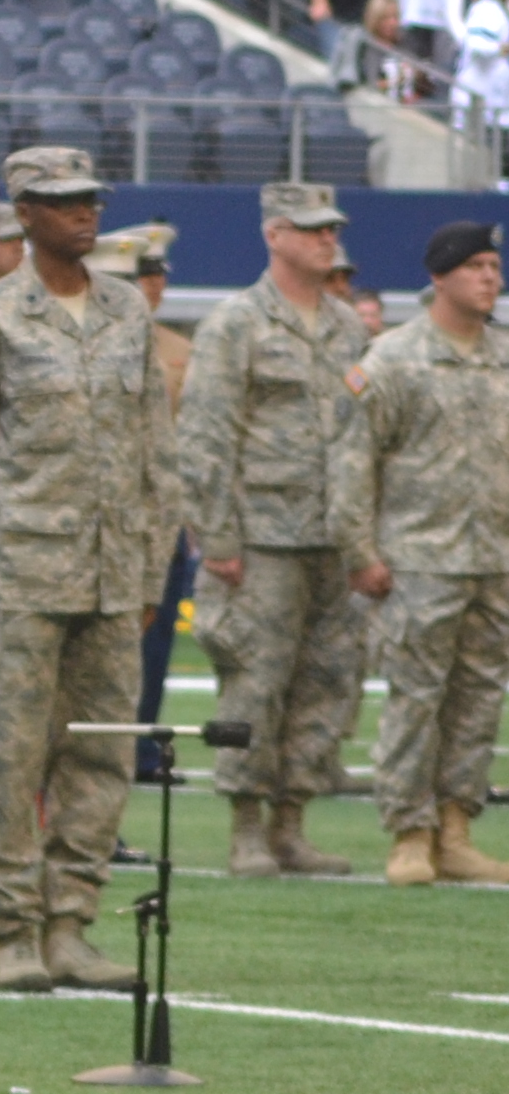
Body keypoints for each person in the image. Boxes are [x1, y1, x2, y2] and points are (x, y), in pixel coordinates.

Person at [0, 148, 169, 995]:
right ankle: (10, 929)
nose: (83, 215)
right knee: (10, 760)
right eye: (62, 203)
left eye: (90, 200)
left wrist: (149, 572)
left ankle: (71, 923)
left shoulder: (127, 310)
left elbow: (152, 449)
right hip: (20, 574)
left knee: (100, 758)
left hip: (111, 573)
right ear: (23, 215)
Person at [172, 183, 377, 884]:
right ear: (276, 234)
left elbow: (361, 435)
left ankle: (293, 821)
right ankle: (245, 827)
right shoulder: (237, 322)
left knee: (325, 680)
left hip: (332, 534)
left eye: (333, 228)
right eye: (314, 229)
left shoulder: (348, 328)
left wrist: (363, 537)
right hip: (261, 536)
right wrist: (218, 536)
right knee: (253, 682)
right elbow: (205, 433)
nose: (329, 239)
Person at [355, 221, 509, 889]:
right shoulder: (392, 357)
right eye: (475, 265)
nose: (490, 277)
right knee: (417, 699)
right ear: (440, 276)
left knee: (477, 699)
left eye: (494, 265)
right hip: (419, 556)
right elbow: (354, 462)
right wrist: (360, 551)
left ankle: (455, 828)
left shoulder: (504, 356)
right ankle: (409, 832)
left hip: (493, 558)